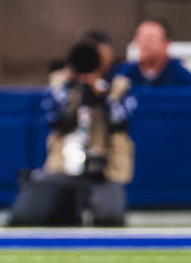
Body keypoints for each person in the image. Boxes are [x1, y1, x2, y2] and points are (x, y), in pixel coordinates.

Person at [10, 41, 135, 227]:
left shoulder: (118, 87)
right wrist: (72, 91)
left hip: (104, 173)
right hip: (61, 170)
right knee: (23, 216)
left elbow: (121, 120)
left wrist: (101, 95)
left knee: (110, 219)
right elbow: (53, 117)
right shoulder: (61, 86)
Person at [116, 19, 191, 89]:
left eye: (151, 38)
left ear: (166, 44)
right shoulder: (124, 73)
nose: (144, 42)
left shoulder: (182, 77)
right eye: (140, 37)